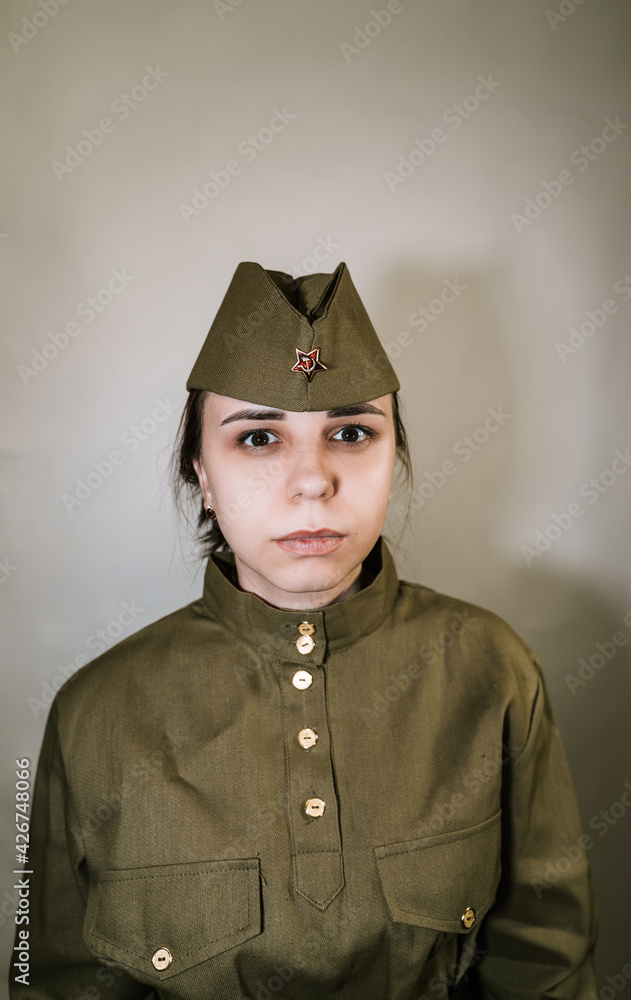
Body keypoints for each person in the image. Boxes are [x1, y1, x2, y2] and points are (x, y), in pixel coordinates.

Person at [11, 262, 597, 999]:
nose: (312, 480)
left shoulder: (491, 670)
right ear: (199, 469)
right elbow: (51, 977)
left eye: (351, 432)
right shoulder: (93, 714)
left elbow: (545, 966)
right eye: (257, 439)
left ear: (394, 459)